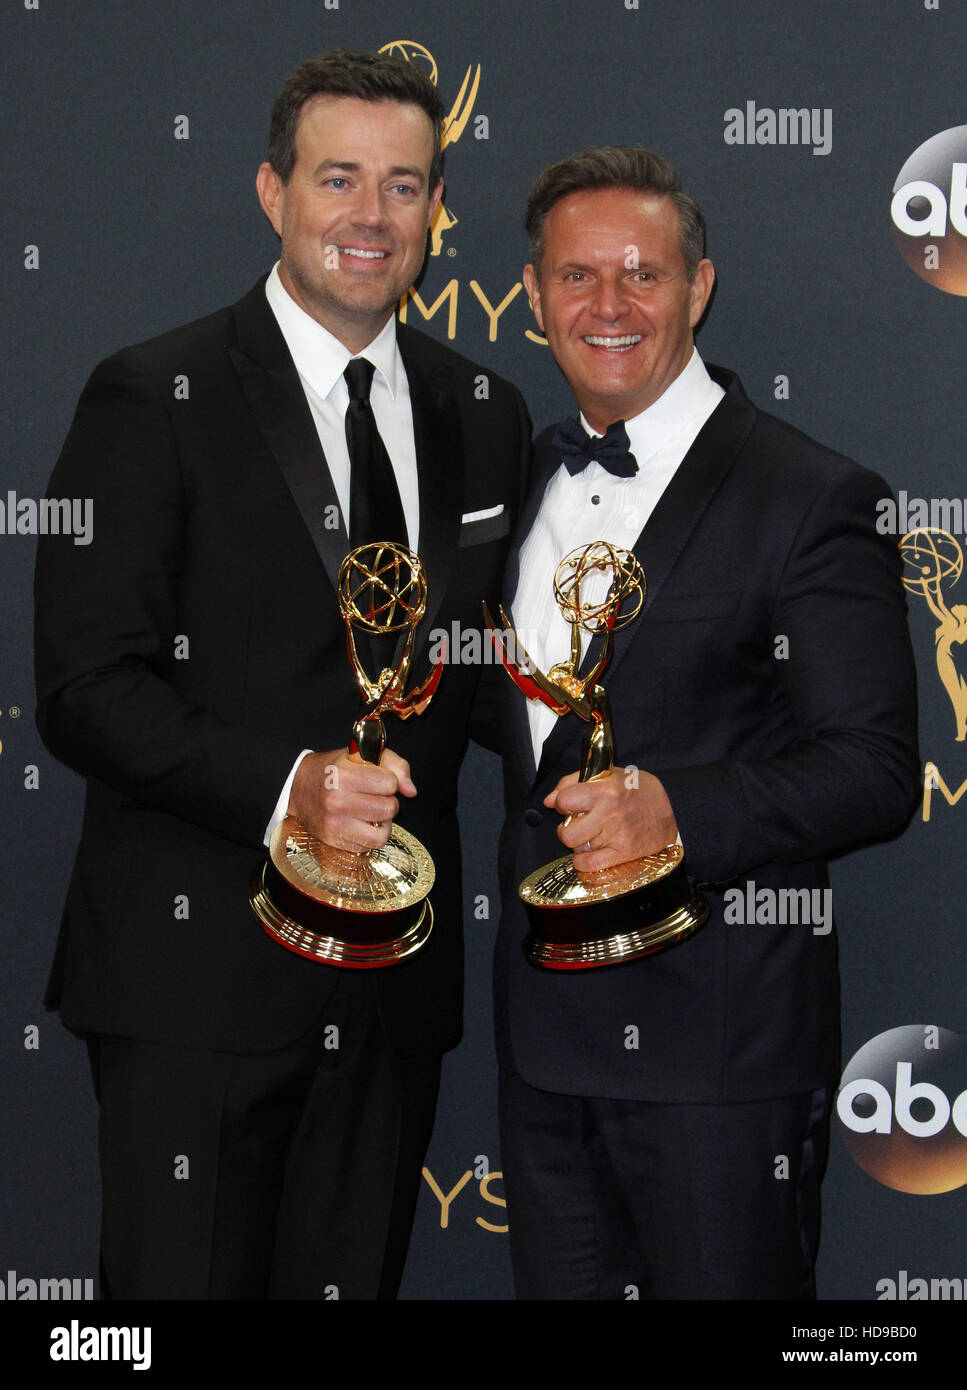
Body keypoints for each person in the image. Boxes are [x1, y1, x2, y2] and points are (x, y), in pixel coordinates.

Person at [34, 49, 529, 1300]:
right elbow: (87, 686)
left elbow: (480, 672)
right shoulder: (151, 394)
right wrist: (287, 784)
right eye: (339, 179)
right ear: (272, 192)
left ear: (434, 212)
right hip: (194, 986)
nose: (371, 217)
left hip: (390, 990)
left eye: (405, 186)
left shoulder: (484, 408)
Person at [493, 146, 918, 1299]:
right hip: (541, 1050)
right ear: (532, 298)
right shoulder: (507, 484)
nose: (609, 305)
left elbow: (876, 770)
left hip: (720, 1061)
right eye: (577, 277)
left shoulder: (811, 496)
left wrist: (677, 807)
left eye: (643, 272)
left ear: (699, 286)